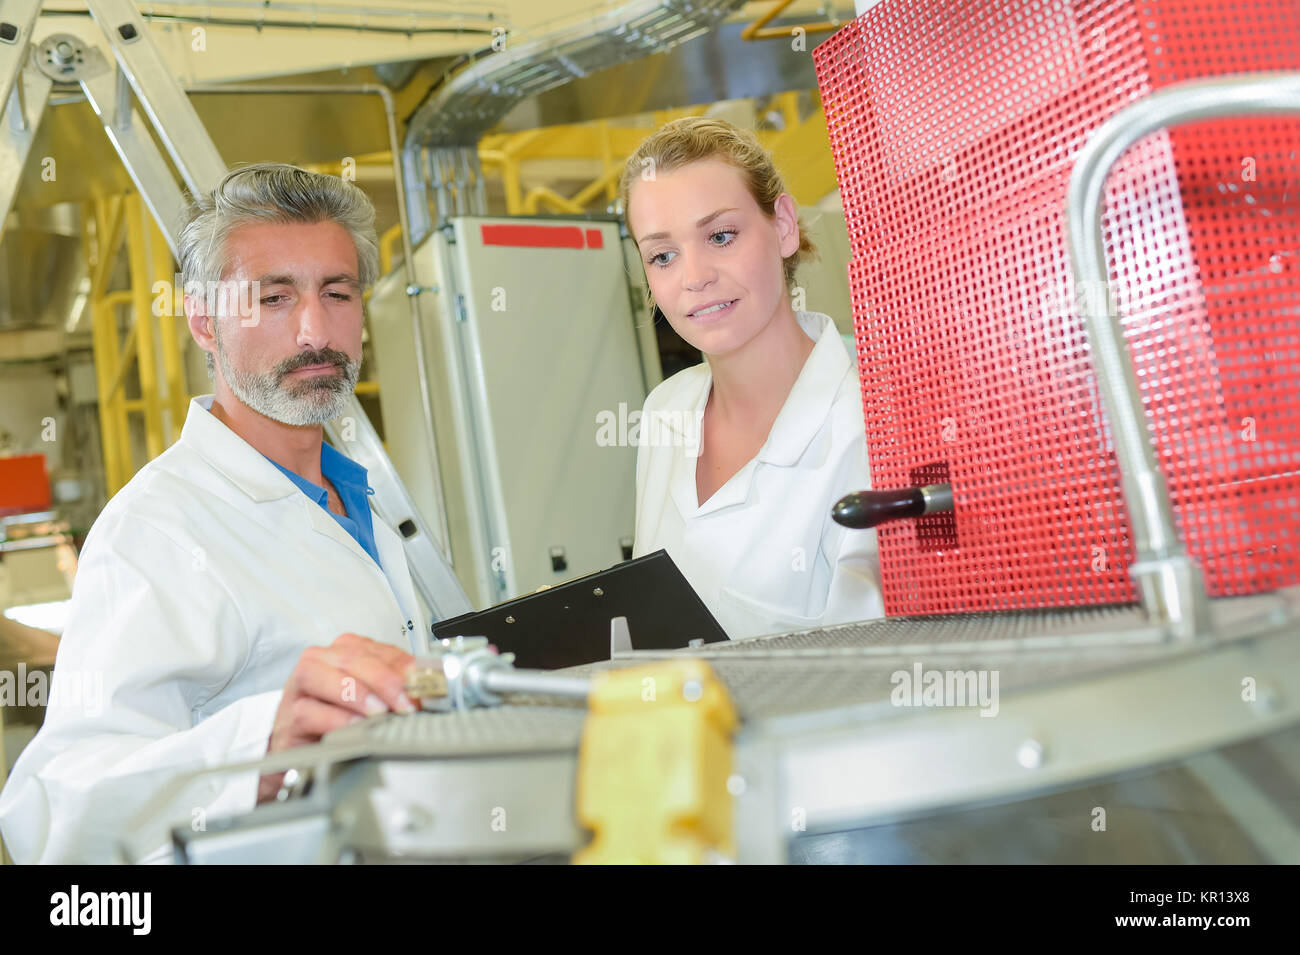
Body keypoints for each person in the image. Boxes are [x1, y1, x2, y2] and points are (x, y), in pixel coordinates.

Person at [0, 163, 422, 863]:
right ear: (202, 320)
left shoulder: (357, 493)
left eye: (337, 292)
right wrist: (263, 742)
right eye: (273, 297)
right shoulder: (156, 531)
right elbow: (59, 812)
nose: (315, 331)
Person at [622, 117, 884, 640]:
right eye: (662, 255)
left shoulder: (873, 417)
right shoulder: (664, 410)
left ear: (783, 226)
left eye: (720, 235)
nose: (694, 277)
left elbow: (891, 661)